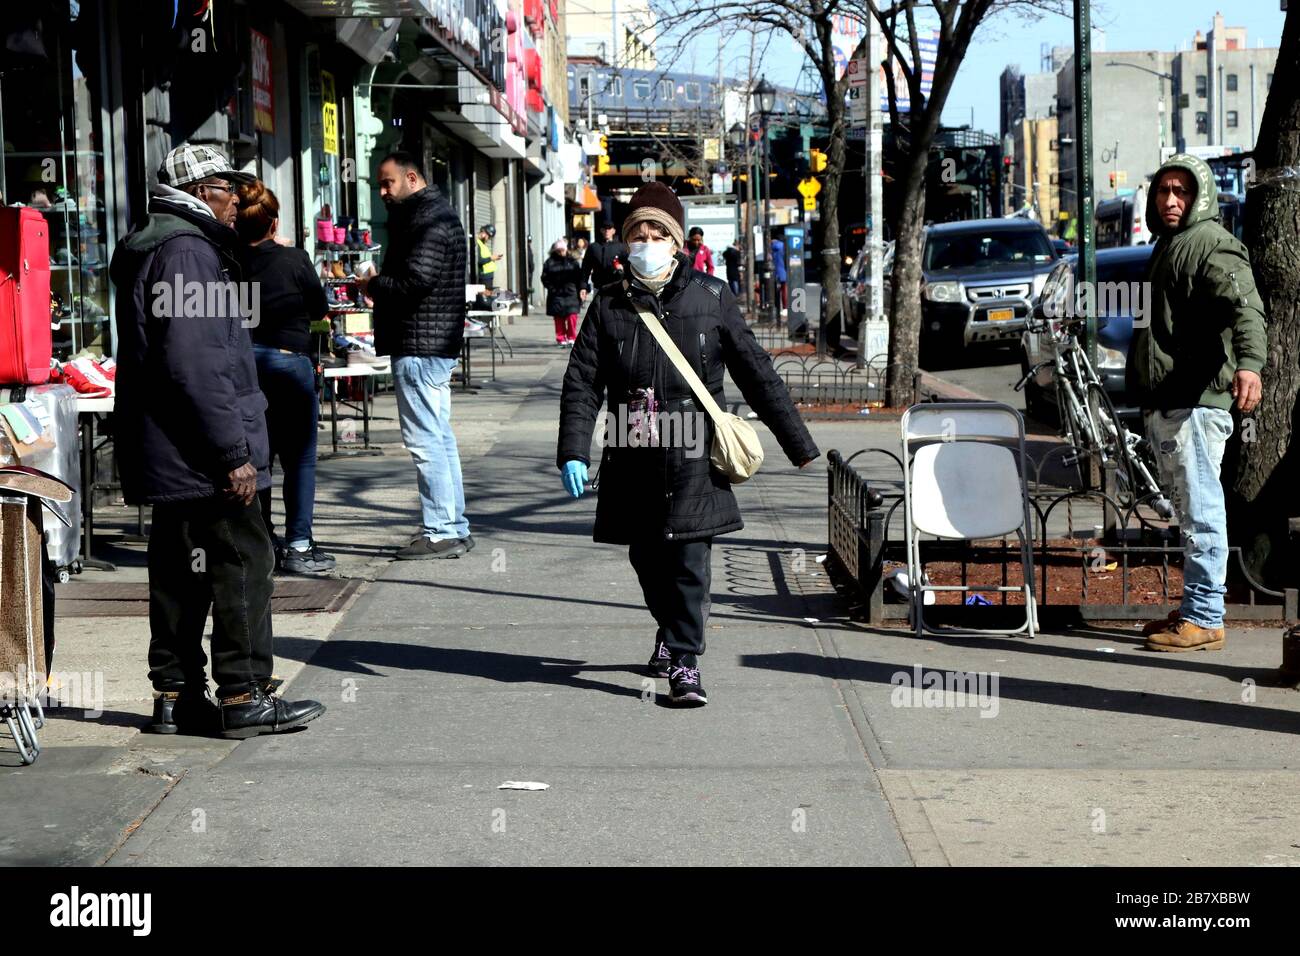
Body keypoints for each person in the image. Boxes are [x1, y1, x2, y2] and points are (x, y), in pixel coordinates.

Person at [557, 181, 820, 706]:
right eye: (638, 232)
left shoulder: (712, 297)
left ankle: (684, 662)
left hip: (696, 454)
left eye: (658, 233)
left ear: (677, 242)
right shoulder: (609, 306)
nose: (647, 242)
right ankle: (669, 625)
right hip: (632, 452)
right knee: (646, 559)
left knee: (689, 562)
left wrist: (798, 443)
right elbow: (583, 382)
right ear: (625, 241)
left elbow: (756, 371)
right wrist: (572, 450)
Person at [109, 143, 325, 739]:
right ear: (204, 192)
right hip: (200, 454)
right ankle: (244, 693)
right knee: (242, 562)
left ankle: (177, 698)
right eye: (230, 188)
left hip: (173, 451)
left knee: (179, 573)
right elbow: (197, 365)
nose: (238, 201)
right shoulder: (188, 252)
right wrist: (233, 454)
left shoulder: (166, 245)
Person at [1128, 153, 1266, 653]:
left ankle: (1206, 616)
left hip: (1197, 402)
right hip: (1174, 400)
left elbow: (1246, 305)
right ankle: (1195, 609)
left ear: (1199, 196)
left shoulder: (1210, 243)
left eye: (1181, 192)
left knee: (1202, 507)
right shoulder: (1172, 244)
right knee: (1190, 508)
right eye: (1163, 190)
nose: (1170, 200)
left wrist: (1251, 363)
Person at [359, 151, 472, 559]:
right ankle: (452, 524)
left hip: (420, 345)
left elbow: (416, 280)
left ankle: (441, 529)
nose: (383, 192)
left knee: (426, 441)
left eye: (388, 183)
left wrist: (373, 285)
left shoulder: (428, 219)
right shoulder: (431, 215)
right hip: (429, 343)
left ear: (411, 177)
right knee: (439, 438)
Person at [234, 179, 335, 575]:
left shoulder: (228, 261)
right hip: (288, 362)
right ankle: (299, 544)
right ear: (273, 224)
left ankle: (262, 541)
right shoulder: (294, 260)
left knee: (259, 457)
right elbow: (319, 307)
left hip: (245, 366)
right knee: (300, 459)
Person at [542, 238, 583, 347]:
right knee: (559, 318)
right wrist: (552, 288)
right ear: (555, 251)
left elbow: (579, 277)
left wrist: (582, 289)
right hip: (556, 294)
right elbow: (545, 278)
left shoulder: (573, 262)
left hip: (571, 293)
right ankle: (560, 338)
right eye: (559, 250)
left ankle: (571, 337)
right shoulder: (549, 262)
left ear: (566, 250)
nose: (561, 252)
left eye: (562, 250)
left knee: (572, 316)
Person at [581, 219, 629, 292]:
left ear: (613, 231)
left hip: (617, 286)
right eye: (604, 229)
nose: (607, 231)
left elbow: (630, 265)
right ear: (601, 230)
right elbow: (586, 268)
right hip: (598, 287)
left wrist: (622, 267)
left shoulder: (621, 247)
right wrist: (583, 287)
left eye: (609, 228)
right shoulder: (593, 247)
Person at [475, 224, 501, 289]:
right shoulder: (477, 244)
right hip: (484, 277)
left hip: (488, 276)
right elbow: (479, 261)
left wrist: (493, 258)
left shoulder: (483, 244)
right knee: (486, 297)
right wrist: (491, 258)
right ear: (483, 233)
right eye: (488, 236)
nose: (488, 239)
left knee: (490, 295)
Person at [770, 236, 788, 315]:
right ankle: (785, 307)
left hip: (776, 272)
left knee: (776, 291)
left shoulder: (772, 248)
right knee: (784, 290)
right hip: (783, 271)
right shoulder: (783, 247)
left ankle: (777, 307)